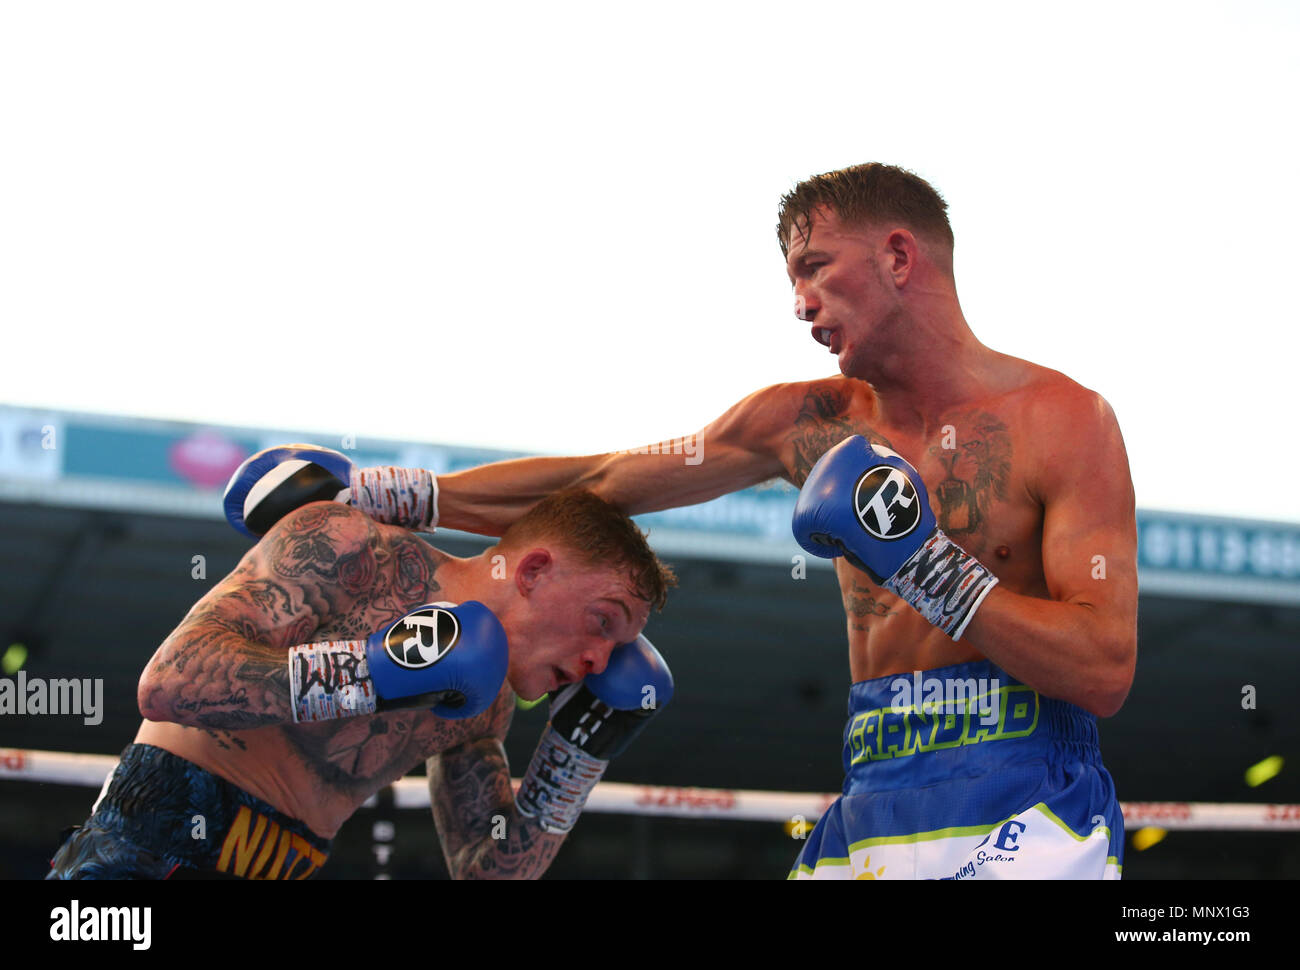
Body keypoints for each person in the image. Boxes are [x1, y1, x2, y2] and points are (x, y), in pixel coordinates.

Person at [232, 163, 1137, 879]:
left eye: (814, 269)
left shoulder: (1063, 422)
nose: (800, 304)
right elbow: (604, 479)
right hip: (877, 786)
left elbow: (1102, 670)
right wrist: (404, 495)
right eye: (793, 280)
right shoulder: (805, 422)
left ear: (899, 257)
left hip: (1029, 795)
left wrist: (929, 568)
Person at [47, 486, 676, 879]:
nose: (600, 661)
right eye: (603, 621)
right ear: (534, 570)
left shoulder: (487, 704)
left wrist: (569, 768)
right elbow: (170, 681)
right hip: (145, 846)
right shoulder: (353, 550)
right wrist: (371, 671)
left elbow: (489, 873)